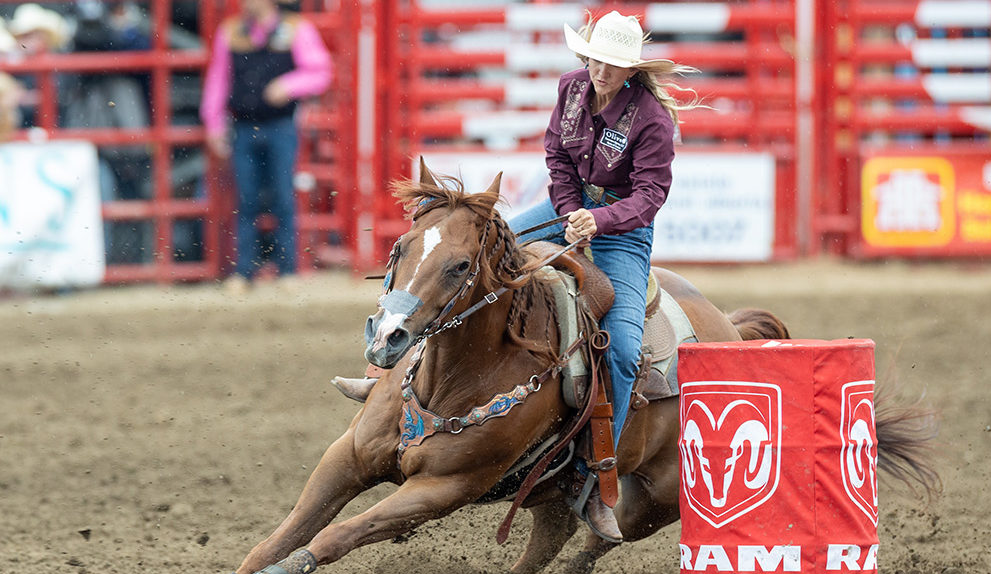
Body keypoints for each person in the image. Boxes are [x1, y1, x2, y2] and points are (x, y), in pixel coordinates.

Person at [336, 11, 695, 543]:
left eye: (613, 64)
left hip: (621, 233)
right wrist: (572, 212)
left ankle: (597, 478)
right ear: (586, 57)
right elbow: (557, 157)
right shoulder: (572, 90)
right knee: (466, 256)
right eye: (595, 58)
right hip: (562, 208)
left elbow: (649, 196)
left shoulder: (651, 121)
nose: (600, 70)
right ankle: (387, 376)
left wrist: (597, 221)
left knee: (621, 349)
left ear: (630, 71)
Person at [201, 0, 331, 293]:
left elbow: (321, 72)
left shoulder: (296, 29)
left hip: (281, 127)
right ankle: (244, 271)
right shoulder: (231, 31)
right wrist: (214, 123)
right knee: (246, 200)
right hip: (244, 127)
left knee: (283, 198)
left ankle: (287, 270)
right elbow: (218, 81)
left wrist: (289, 85)